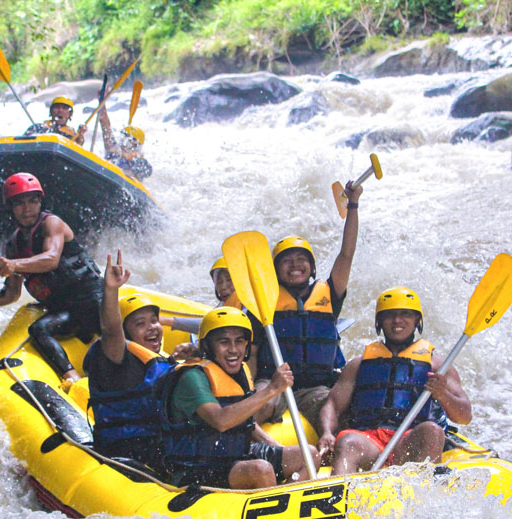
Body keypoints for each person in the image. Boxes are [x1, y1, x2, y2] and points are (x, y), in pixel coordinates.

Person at [0, 173, 101, 384]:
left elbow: (51, 259)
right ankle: (72, 379)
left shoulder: (52, 224)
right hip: (67, 309)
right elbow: (10, 294)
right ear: (11, 208)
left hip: (93, 299)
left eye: (32, 201)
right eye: (19, 203)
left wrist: (14, 265)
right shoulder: (14, 244)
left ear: (40, 202)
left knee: (110, 336)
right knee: (38, 329)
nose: (27, 208)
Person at [161, 307, 320, 489]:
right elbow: (221, 420)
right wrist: (272, 389)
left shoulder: (241, 372)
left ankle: (285, 497)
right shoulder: (192, 377)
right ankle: (272, 500)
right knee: (261, 469)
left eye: (239, 341)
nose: (233, 350)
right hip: (196, 467)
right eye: (224, 342)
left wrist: (275, 446)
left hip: (235, 456)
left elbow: (246, 422)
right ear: (207, 346)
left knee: (310, 455)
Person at [318, 287, 473, 474]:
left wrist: (443, 394)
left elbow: (464, 416)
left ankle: (424, 486)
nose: (397, 320)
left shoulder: (437, 365)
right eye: (389, 315)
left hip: (408, 440)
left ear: (417, 320)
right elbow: (333, 406)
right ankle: (339, 491)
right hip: (369, 440)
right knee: (348, 442)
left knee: (432, 431)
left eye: (405, 314)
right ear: (379, 322)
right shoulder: (358, 365)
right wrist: (327, 432)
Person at [251, 180, 362, 433]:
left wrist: (353, 205)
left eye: (302, 259)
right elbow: (253, 353)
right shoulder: (263, 301)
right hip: (274, 382)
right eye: (286, 261)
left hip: (317, 387)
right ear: (275, 270)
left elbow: (347, 254)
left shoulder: (330, 293)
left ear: (312, 268)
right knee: (257, 405)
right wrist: (251, 389)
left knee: (343, 415)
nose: (295, 265)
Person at [82, 250, 175, 471]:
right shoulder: (117, 357)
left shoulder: (162, 360)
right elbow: (111, 330)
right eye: (140, 324)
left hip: (160, 445)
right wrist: (111, 290)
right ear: (126, 333)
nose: (151, 327)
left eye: (154, 321)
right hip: (126, 450)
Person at [98, 105, 152, 180]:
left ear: (136, 145)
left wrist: (131, 158)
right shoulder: (114, 152)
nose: (124, 141)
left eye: (128, 139)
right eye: (123, 137)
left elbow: (148, 172)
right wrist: (102, 104)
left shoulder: (139, 162)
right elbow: (106, 126)